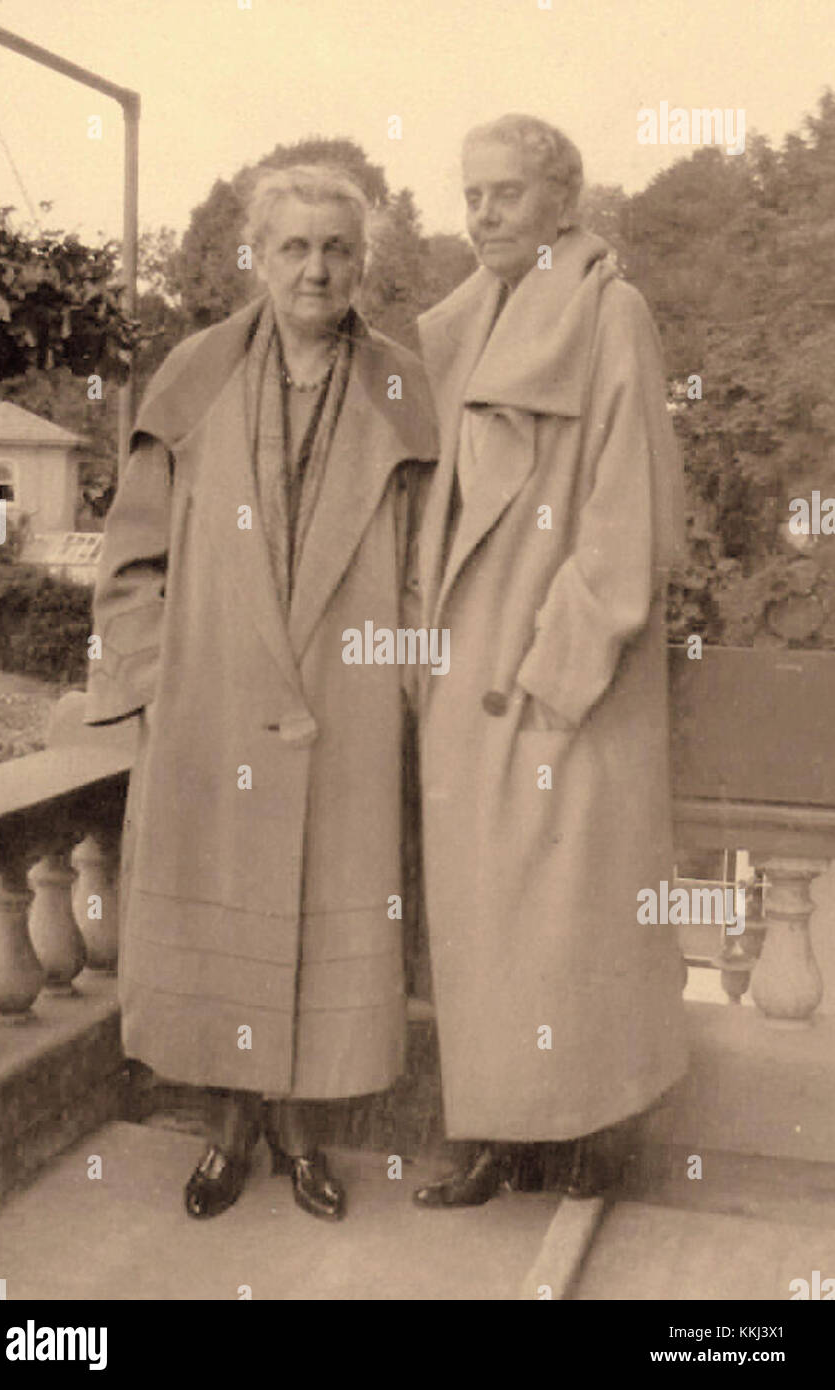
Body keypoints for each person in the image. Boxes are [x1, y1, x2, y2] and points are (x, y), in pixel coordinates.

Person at [85, 165, 436, 1222]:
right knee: (223, 931)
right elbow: (129, 562)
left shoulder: (399, 387)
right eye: (295, 247)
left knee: (320, 929)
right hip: (214, 715)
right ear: (259, 256)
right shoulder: (192, 375)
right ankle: (227, 1132)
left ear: (359, 263)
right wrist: (161, 689)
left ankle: (301, 1130)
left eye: (337, 249)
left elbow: (428, 564)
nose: (317, 268)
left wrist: (411, 686)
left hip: (349, 715)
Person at [412, 114, 688, 1207]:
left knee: (566, 924)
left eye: (508, 194)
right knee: (486, 927)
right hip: (459, 681)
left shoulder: (610, 315)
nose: (482, 213)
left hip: (558, 680)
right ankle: (495, 1131)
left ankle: (577, 1140)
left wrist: (554, 676)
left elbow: (634, 527)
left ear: (559, 203)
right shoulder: (459, 326)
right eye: (472, 192)